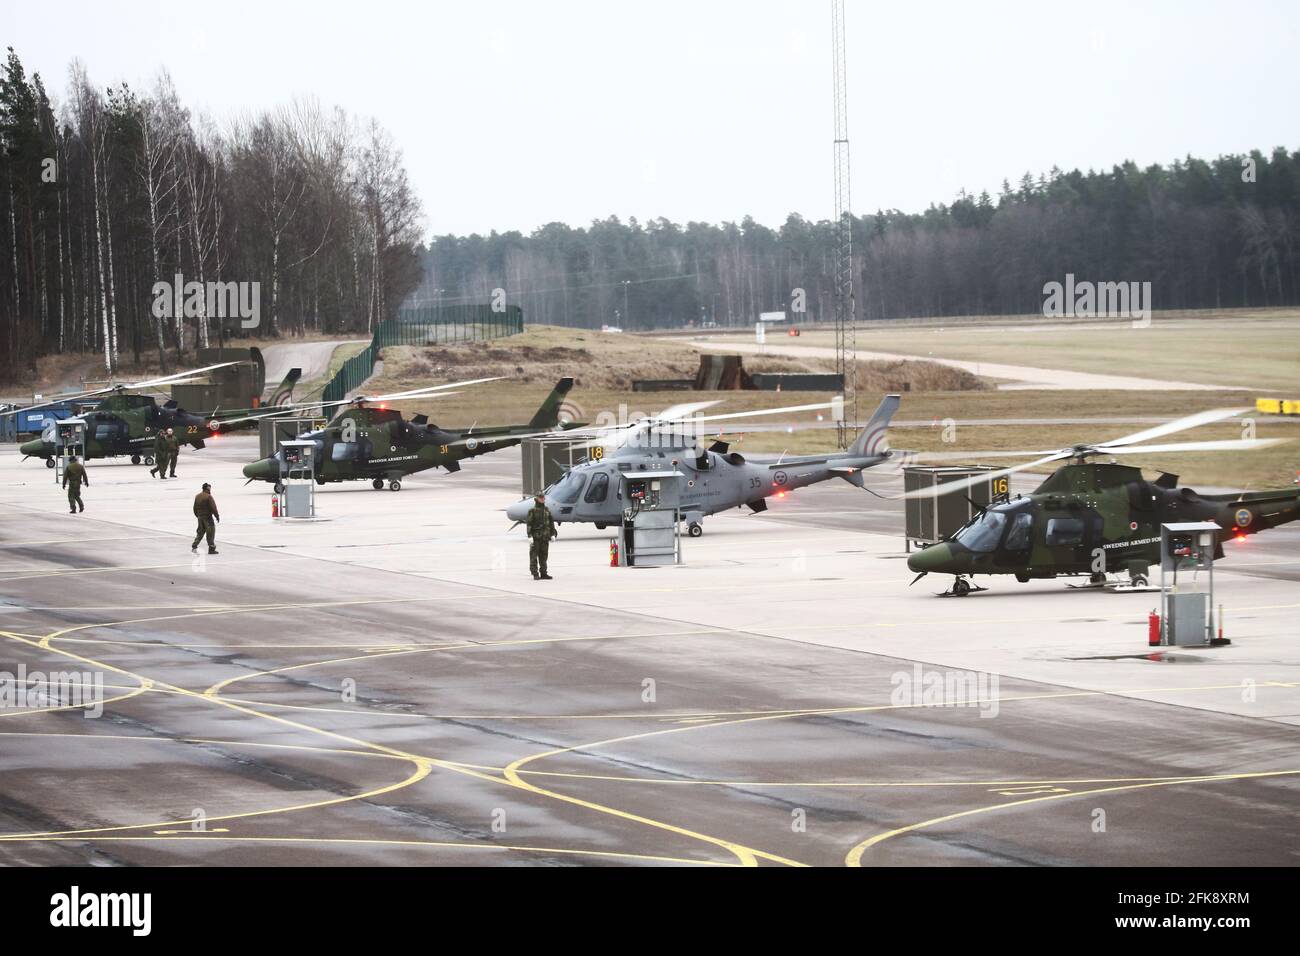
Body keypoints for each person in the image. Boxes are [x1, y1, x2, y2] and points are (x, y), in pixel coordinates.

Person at [526, 494, 557, 580]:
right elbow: (529, 524)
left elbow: (551, 523)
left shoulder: (547, 510)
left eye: (543, 498)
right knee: (533, 556)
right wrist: (530, 536)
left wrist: (552, 534)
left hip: (545, 537)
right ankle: (535, 573)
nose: (543, 499)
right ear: (536, 499)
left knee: (544, 556)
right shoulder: (532, 511)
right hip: (535, 538)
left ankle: (544, 573)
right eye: (541, 498)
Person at [191, 482, 220, 555]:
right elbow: (213, 508)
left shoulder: (197, 496)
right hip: (208, 518)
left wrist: (198, 516)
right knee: (210, 533)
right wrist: (217, 516)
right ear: (208, 488)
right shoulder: (208, 497)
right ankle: (211, 548)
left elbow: (194, 508)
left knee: (200, 532)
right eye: (209, 488)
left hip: (200, 517)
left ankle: (194, 546)